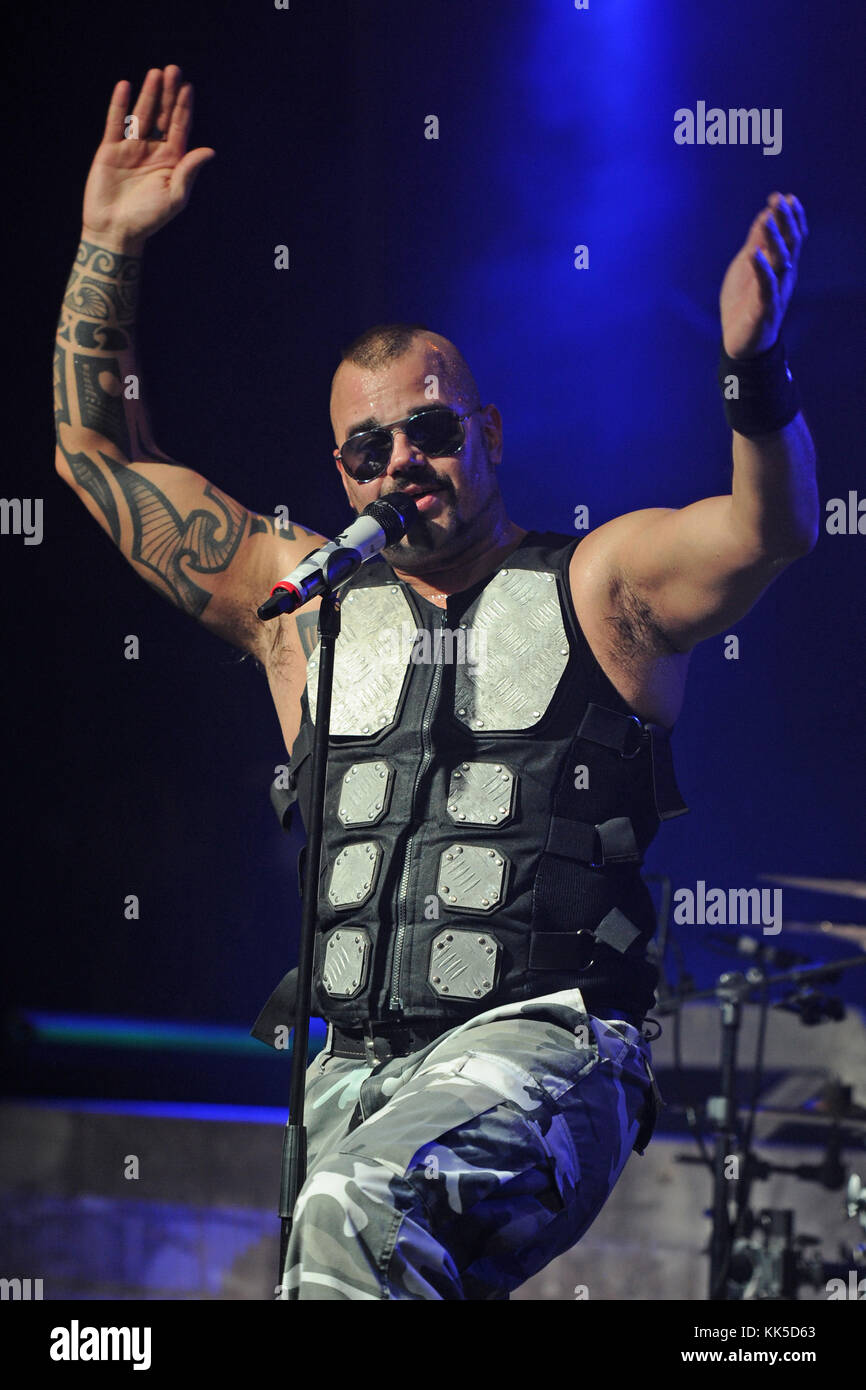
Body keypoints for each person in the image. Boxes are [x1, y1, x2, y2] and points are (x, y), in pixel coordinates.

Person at [54, 66, 818, 1301]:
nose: (403, 462)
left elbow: (763, 532)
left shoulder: (597, 585)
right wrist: (106, 245)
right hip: (353, 1075)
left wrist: (751, 367)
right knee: (333, 1254)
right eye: (371, 448)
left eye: (433, 431)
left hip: (550, 1053)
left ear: (489, 436)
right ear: (342, 471)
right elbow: (93, 455)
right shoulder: (302, 612)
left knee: (357, 1215)